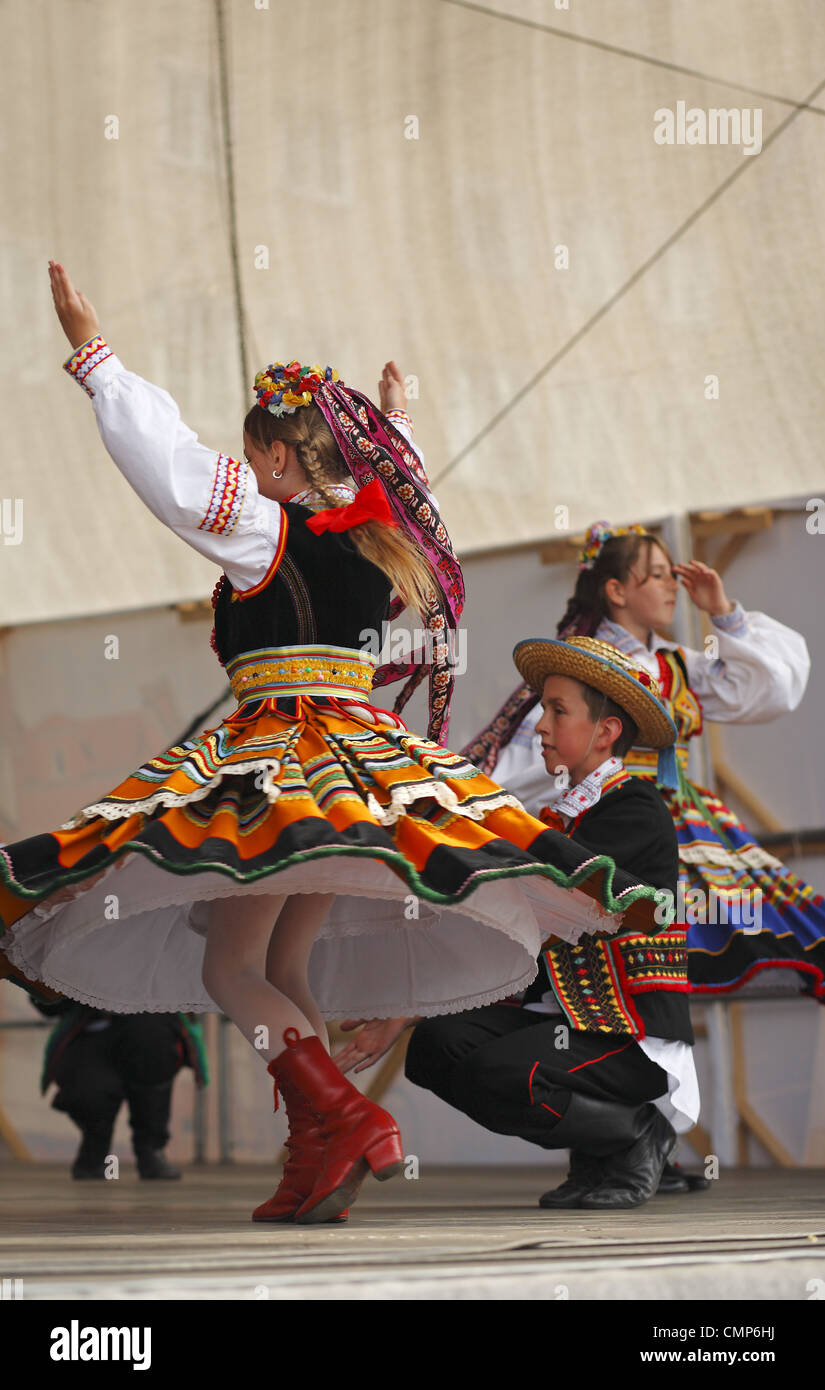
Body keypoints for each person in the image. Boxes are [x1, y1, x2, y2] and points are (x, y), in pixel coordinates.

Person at [0, 265, 665, 1227]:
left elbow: (170, 469)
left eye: (251, 451)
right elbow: (401, 494)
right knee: (286, 964)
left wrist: (98, 361)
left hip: (278, 757)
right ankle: (317, 1150)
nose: (243, 466)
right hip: (357, 770)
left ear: (274, 453)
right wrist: (394, 424)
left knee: (231, 967)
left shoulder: (265, 528)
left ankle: (342, 1117)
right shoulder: (374, 541)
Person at [340, 636, 698, 1210]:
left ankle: (636, 1135)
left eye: (558, 711)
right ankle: (603, 1149)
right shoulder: (559, 817)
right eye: (541, 709)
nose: (540, 725)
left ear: (606, 733)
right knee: (437, 1047)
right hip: (569, 1020)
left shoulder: (635, 809)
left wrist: (405, 1002)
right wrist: (411, 1004)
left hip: (625, 1032)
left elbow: (535, 914)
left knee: (503, 1070)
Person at [463, 522, 822, 1002]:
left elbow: (769, 691)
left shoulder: (676, 664)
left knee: (763, 927)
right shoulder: (579, 674)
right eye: (655, 575)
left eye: (671, 573)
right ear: (616, 590)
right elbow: (533, 762)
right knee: (633, 954)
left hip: (689, 820)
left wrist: (722, 612)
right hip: (625, 822)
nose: (672, 585)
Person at [31, 998, 207, 1180]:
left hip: (149, 1024)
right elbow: (46, 1004)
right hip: (90, 1028)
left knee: (153, 1048)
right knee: (88, 1090)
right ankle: (94, 1149)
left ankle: (151, 1150)